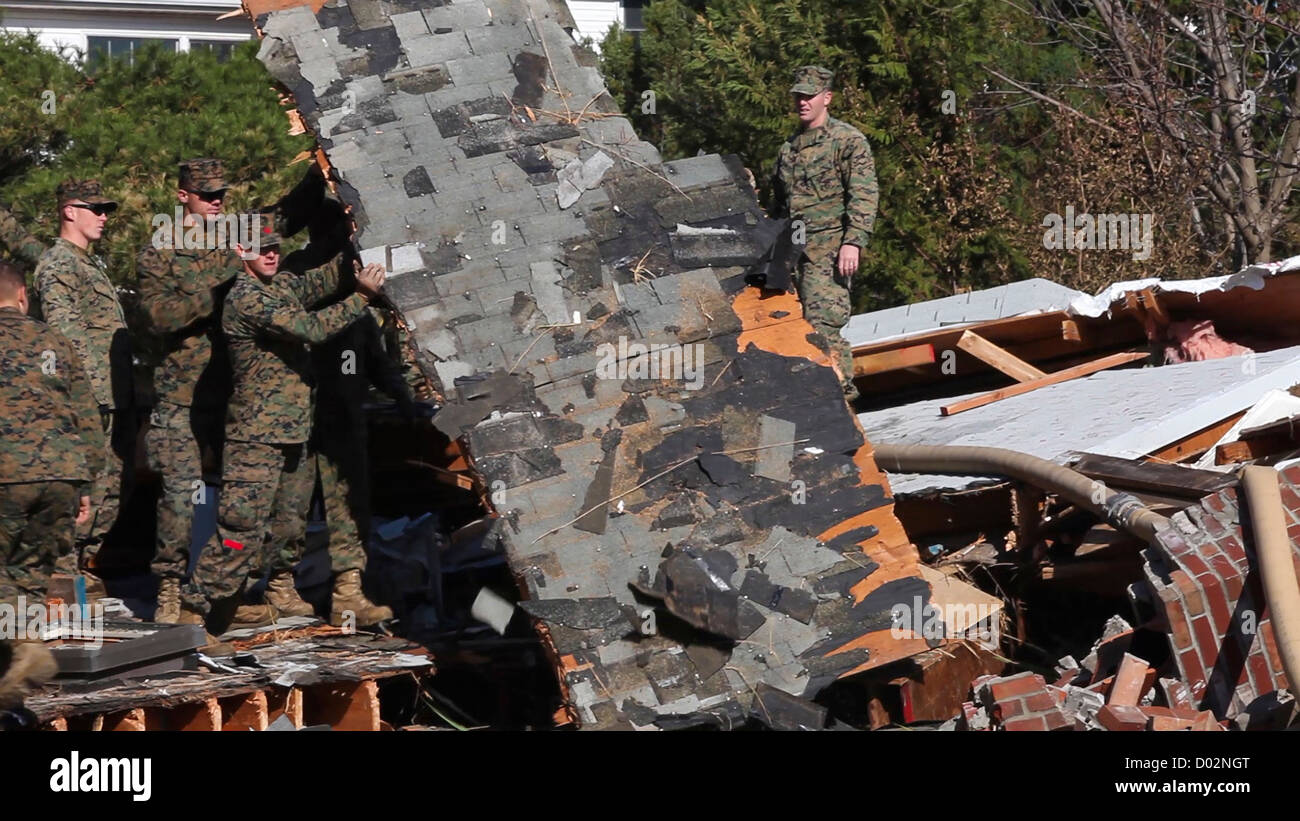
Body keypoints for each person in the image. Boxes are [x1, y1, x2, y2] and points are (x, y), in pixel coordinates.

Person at [211, 223, 386, 630]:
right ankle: (216, 606)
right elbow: (313, 327)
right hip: (256, 435)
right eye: (261, 249)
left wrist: (361, 244)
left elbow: (316, 283)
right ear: (241, 251)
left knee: (290, 523)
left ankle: (277, 588)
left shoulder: (278, 288)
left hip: (292, 431)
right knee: (242, 526)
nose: (271, 255)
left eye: (276, 248)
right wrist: (362, 296)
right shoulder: (249, 297)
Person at [136, 159, 242, 624]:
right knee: (181, 497)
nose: (216, 201)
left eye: (221, 194)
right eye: (206, 195)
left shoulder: (239, 242)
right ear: (183, 197)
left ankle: (226, 592)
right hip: (181, 395)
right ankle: (170, 591)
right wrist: (217, 283)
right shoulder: (161, 249)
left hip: (234, 394)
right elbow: (157, 317)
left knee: (242, 500)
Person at [31, 180, 129, 572]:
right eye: (96, 208)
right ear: (70, 211)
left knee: (110, 488)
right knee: (85, 488)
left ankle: (82, 571)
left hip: (110, 395)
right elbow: (64, 333)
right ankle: (61, 574)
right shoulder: (59, 264)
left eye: (107, 209)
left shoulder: (85, 262)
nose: (104, 217)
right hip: (89, 397)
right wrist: (88, 395)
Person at [770, 65, 879, 403]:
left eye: (809, 95)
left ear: (827, 98)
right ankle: (814, 404)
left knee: (823, 325)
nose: (803, 102)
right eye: (798, 96)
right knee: (792, 330)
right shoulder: (788, 150)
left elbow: (863, 193)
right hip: (793, 255)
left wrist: (853, 242)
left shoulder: (847, 141)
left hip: (829, 251)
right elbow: (779, 207)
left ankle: (841, 400)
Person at [0, 260, 103, 609]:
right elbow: (87, 417)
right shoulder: (55, 341)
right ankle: (25, 652)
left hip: (8, 473)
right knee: (30, 575)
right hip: (61, 475)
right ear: (23, 296)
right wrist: (86, 487)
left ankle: (17, 648)